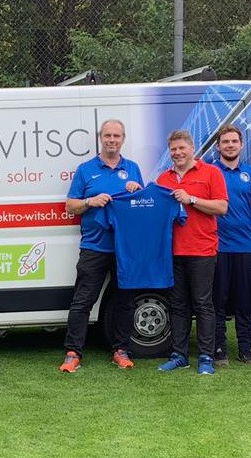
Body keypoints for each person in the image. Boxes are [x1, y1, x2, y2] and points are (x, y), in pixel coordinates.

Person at [59, 119, 145, 372]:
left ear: (123, 139)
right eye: (107, 135)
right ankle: (73, 352)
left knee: (125, 301)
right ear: (101, 138)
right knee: (83, 301)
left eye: (116, 136)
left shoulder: (133, 168)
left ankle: (120, 349)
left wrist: (137, 189)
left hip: (125, 248)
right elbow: (70, 206)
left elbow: (142, 203)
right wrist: (90, 201)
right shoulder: (86, 169)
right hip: (94, 246)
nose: (112, 140)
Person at [156, 129, 229, 374]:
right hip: (173, 251)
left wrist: (192, 200)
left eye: (181, 148)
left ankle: (206, 357)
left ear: (192, 148)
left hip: (202, 249)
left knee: (202, 304)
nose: (177, 153)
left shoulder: (211, 172)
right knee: (177, 305)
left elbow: (221, 207)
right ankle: (179, 355)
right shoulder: (163, 179)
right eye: (174, 149)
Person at [208, 124, 251, 366]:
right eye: (225, 142)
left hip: (245, 246)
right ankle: (219, 348)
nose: (230, 145)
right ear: (218, 146)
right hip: (216, 246)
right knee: (218, 300)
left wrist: (241, 223)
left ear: (241, 145)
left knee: (244, 300)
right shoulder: (210, 172)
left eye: (234, 141)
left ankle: (246, 348)